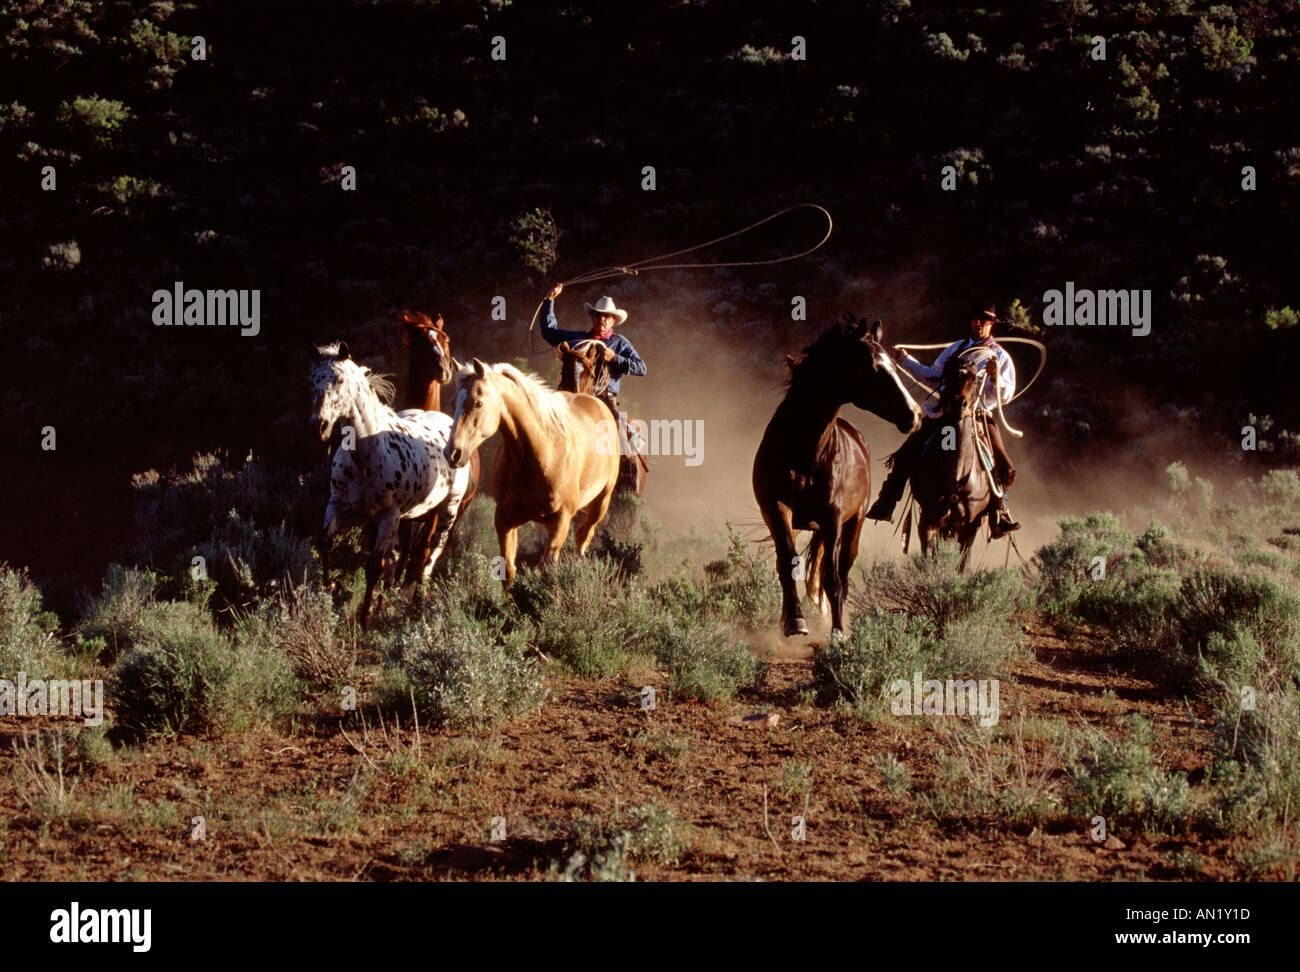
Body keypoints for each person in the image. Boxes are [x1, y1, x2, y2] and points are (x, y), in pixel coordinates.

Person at [865, 301, 1021, 538]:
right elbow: (932, 376)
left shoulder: (1000, 356)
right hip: (944, 413)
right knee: (906, 453)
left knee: (1005, 467)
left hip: (977, 415)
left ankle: (1001, 512)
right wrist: (904, 359)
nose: (979, 324)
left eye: (984, 321)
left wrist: (994, 377)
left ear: (991, 324)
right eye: (976, 320)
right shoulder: (956, 348)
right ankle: (886, 501)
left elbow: (1006, 395)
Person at [540, 284, 647, 479]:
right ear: (592, 317)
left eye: (607, 316)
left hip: (605, 398)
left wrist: (614, 357)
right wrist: (549, 301)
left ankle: (625, 483)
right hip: (574, 398)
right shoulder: (578, 339)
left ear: (613, 320)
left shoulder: (620, 343)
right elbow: (549, 332)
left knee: (623, 438)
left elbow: (641, 367)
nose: (602, 319)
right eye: (598, 315)